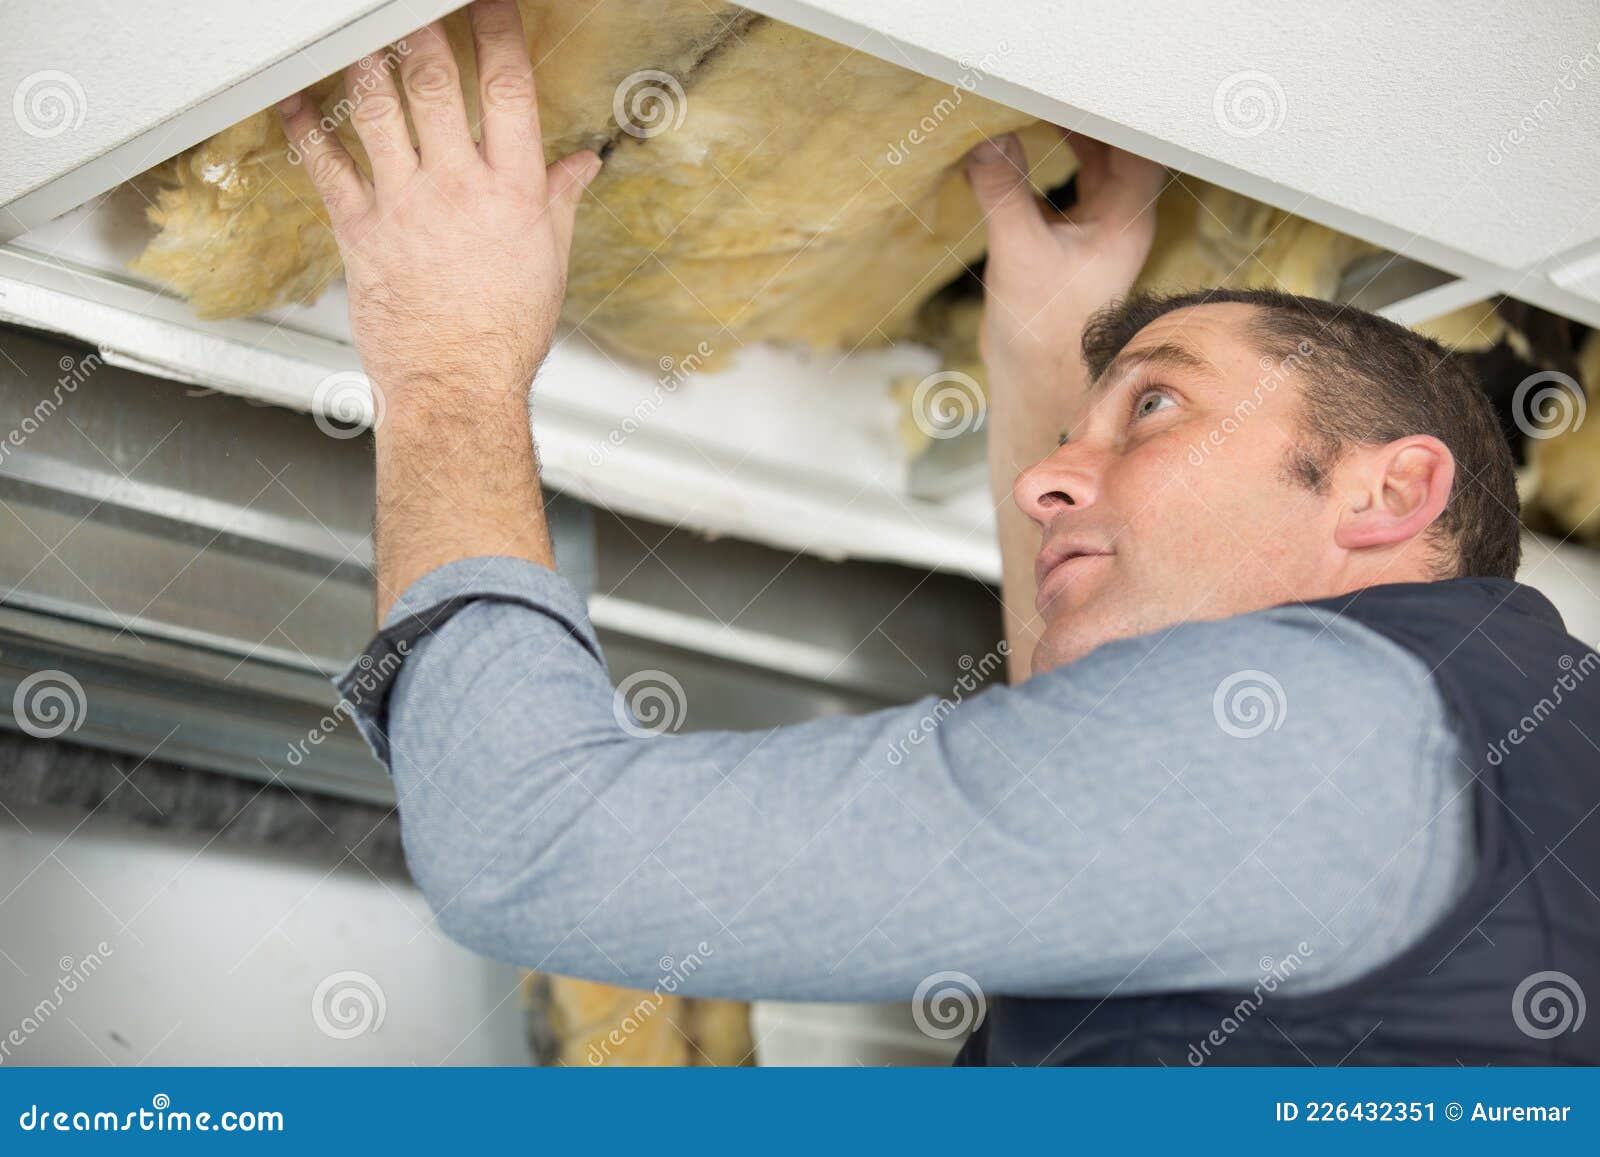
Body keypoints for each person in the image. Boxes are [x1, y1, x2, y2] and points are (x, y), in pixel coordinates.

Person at [280, 0, 1599, 1064]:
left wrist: (446, 361)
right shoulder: (1500, 753)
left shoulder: (1323, 747)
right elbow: (1107, 771)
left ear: (1387, 494)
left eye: (1155, 405)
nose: (1040, 486)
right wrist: (1040, 344)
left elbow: (528, 844)